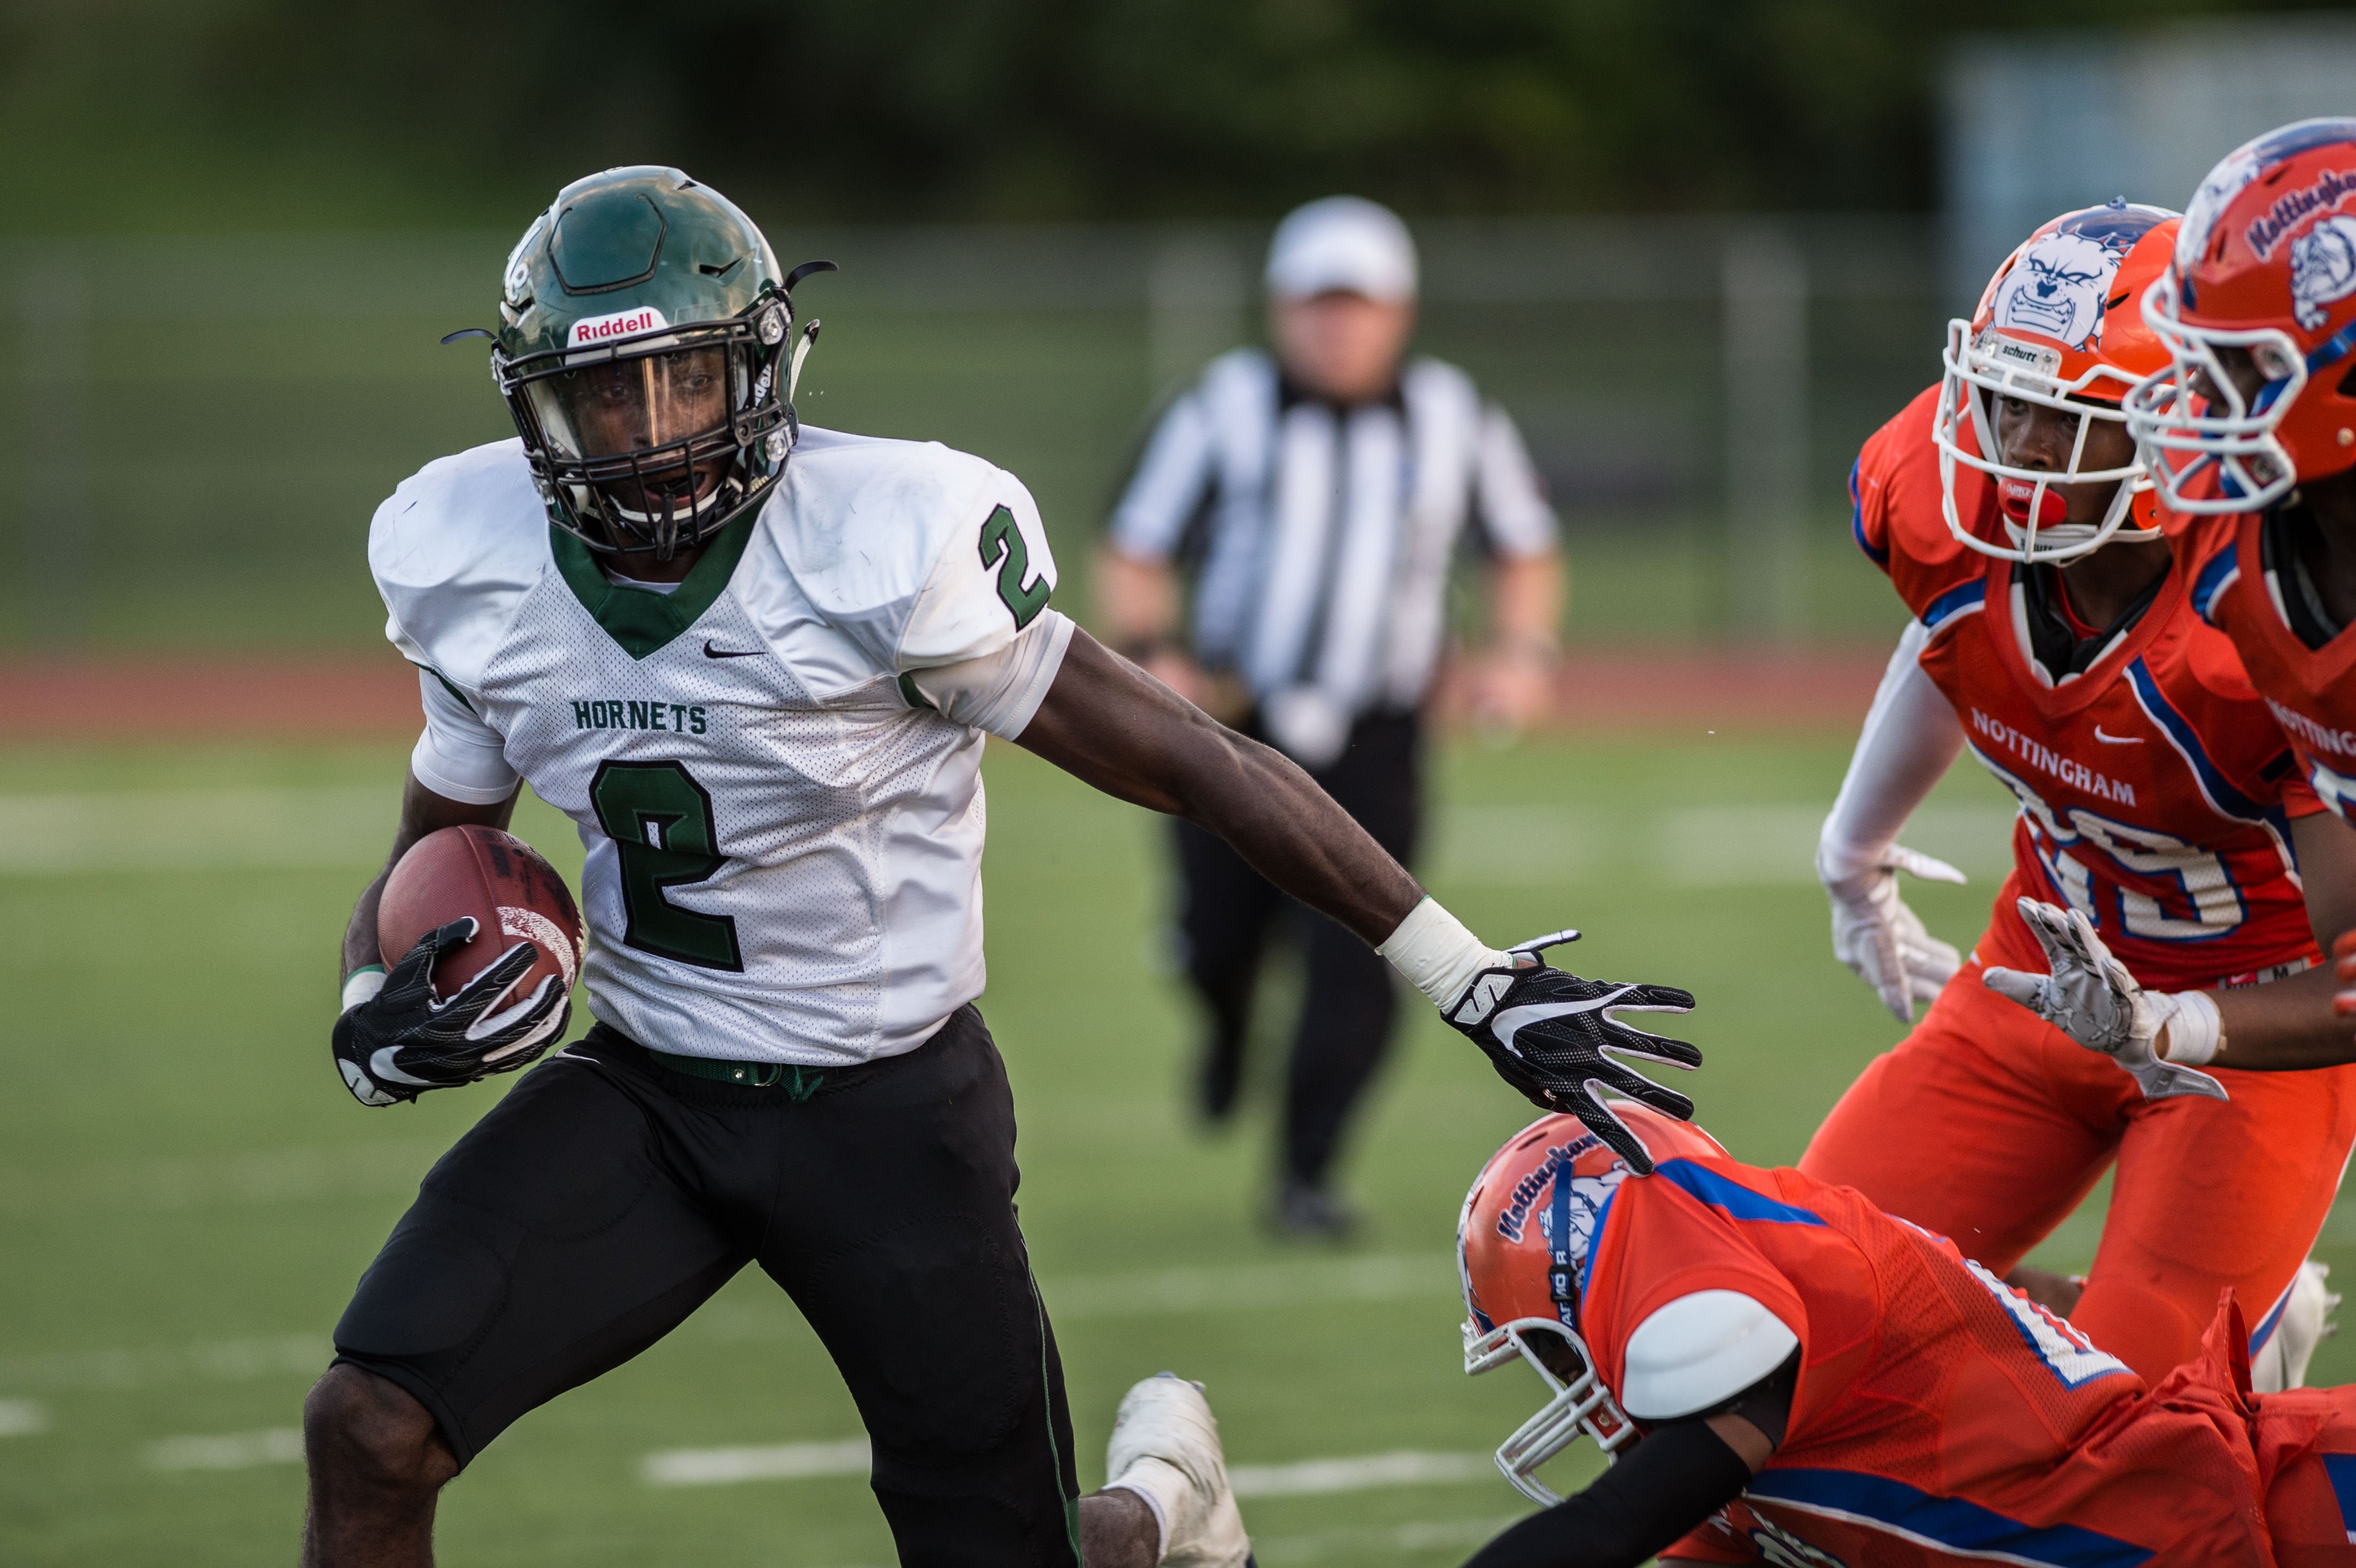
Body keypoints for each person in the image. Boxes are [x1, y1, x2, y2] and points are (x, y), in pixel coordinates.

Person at [303, 166, 1703, 1568]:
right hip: (653, 1087)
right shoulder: (468, 552)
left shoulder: (884, 536)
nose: (652, 434)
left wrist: (1461, 972)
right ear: (536, 407)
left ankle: (1160, 1513)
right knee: (369, 1422)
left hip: (888, 1113)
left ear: (763, 366)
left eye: (684, 383)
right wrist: (382, 985)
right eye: (608, 396)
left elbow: (1194, 759)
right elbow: (444, 837)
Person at [1799, 200, 2356, 1389]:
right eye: (2001, 401)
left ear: (2173, 437)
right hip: (2037, 980)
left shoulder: (2256, 623)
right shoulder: (1943, 514)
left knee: (2123, 1436)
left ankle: (2217, 1354)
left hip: (2241, 1041)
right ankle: (2148, 1329)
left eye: (2060, 418)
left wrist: (2170, 1028)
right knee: (1800, 1297)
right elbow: (1957, 644)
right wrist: (1854, 850)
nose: (2012, 446)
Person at [1099, 196, 1566, 1236]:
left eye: (1356, 305)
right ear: (1279, 309)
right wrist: (1152, 655)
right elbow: (1134, 544)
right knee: (1217, 937)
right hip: (1232, 724)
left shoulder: (1453, 416)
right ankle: (1220, 1024)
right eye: (1316, 304)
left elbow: (1521, 545)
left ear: (1397, 313)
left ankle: (1304, 1172)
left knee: (1367, 952)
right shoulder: (1219, 406)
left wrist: (1518, 656)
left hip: (1376, 731)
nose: (1335, 326)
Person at [1453, 1103, 2356, 1567]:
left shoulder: (1764, 1340)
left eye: (1555, 1347)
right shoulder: (1732, 1354)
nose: (1564, 1382)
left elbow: (1611, 1527)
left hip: (2269, 1526)